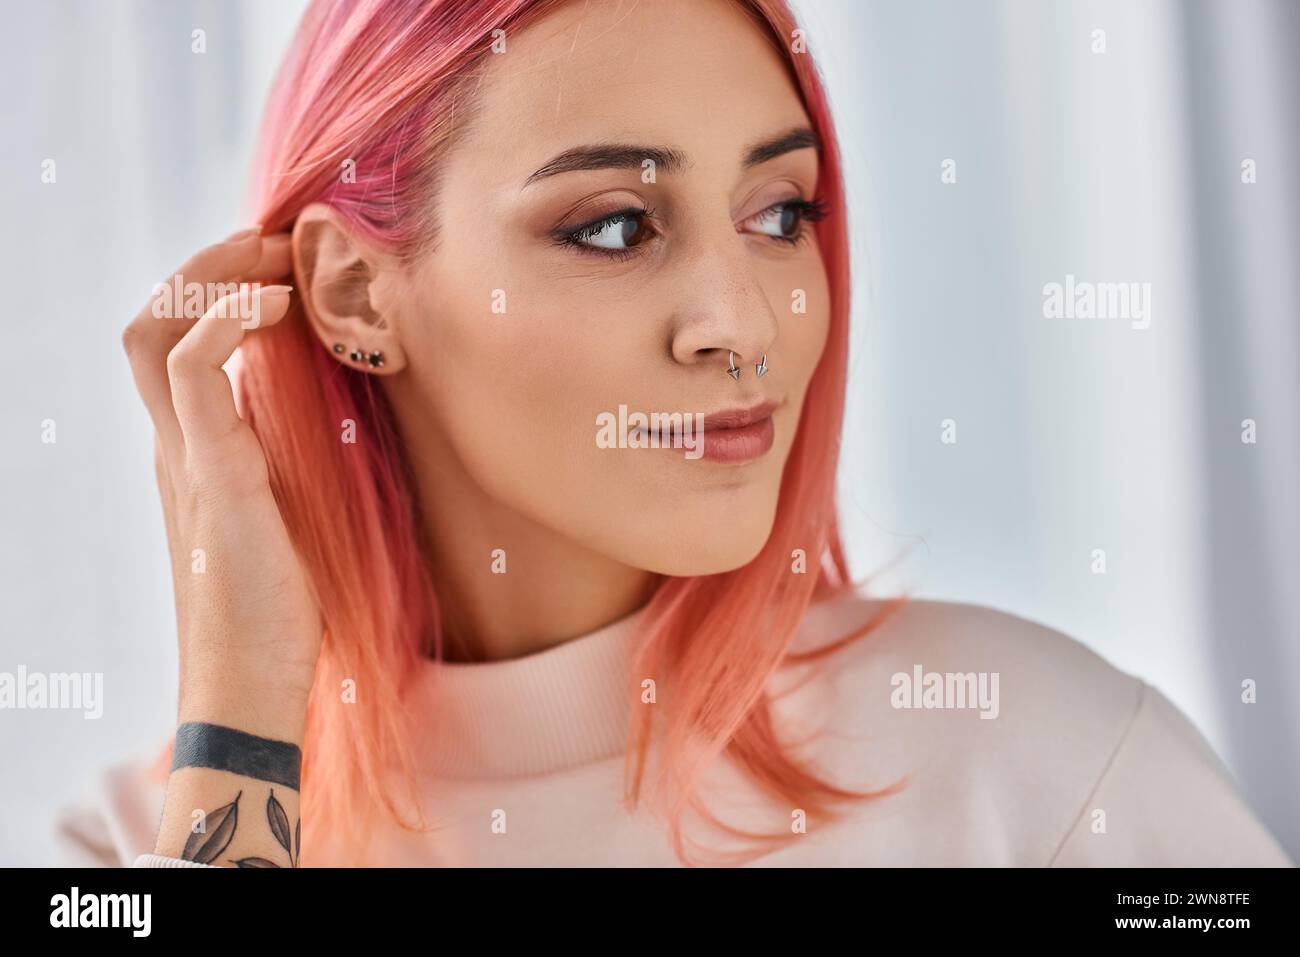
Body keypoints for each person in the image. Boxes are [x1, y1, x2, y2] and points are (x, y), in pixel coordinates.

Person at [54, 0, 1292, 868]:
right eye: (613, 227)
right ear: (355, 295)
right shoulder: (135, 845)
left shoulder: (1045, 765)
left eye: (780, 211)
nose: (743, 324)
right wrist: (238, 719)